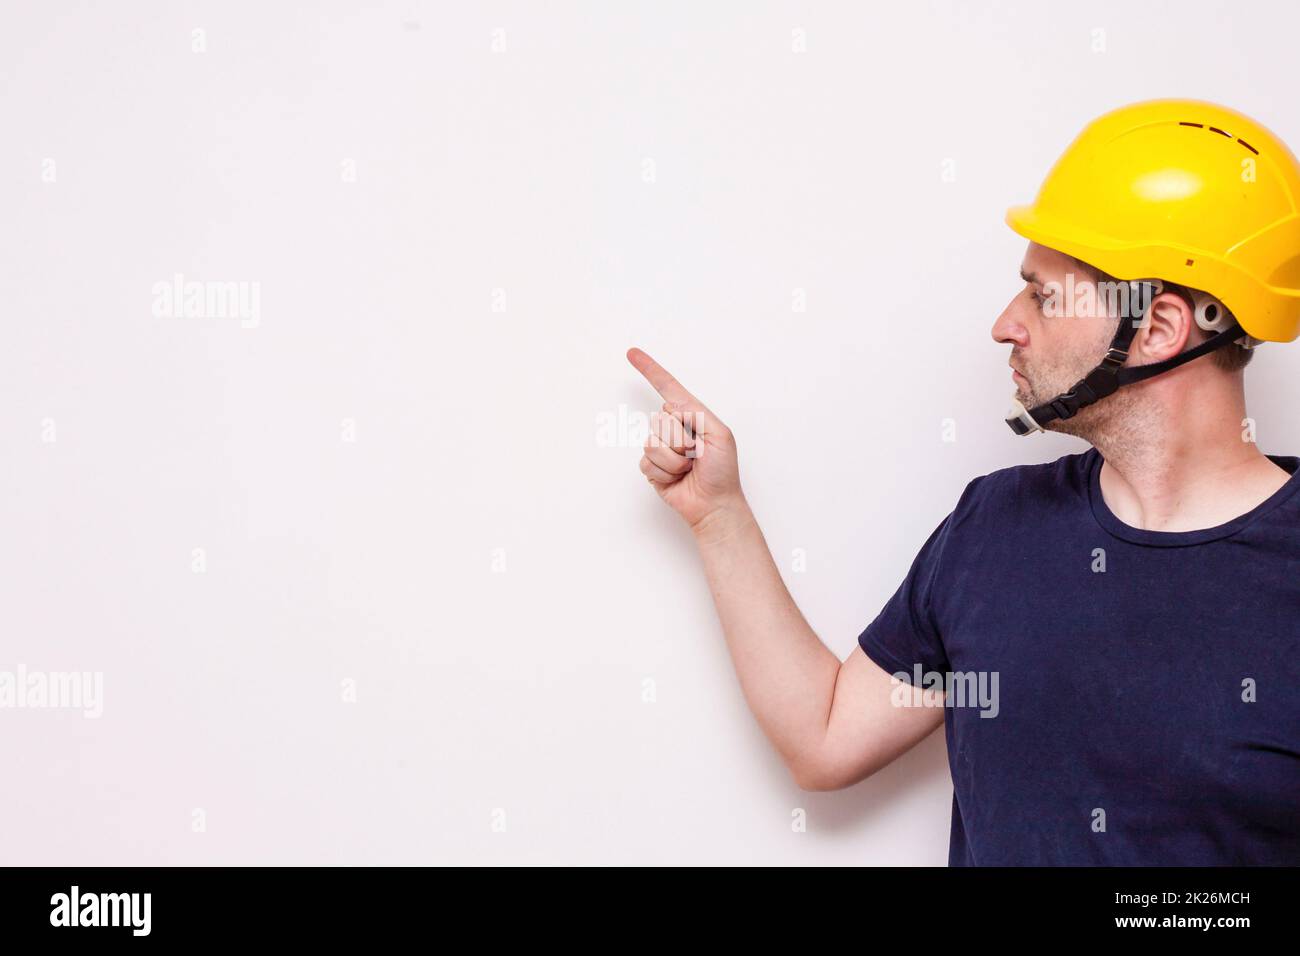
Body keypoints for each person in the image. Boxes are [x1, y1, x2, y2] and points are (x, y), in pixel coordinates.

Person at [625, 99, 1300, 865]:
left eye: (1045, 295)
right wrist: (720, 514)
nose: (1006, 323)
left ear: (1158, 329)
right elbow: (825, 738)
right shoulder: (997, 527)